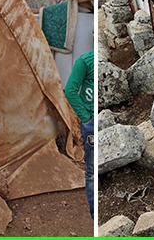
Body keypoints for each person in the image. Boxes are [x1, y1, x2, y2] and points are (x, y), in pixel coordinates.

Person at [64, 50, 94, 220]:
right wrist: (86, 118)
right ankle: (94, 214)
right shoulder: (85, 62)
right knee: (91, 170)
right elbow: (70, 90)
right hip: (91, 124)